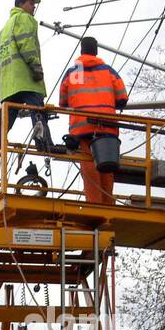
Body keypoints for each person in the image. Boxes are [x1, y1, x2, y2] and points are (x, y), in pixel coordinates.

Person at [58, 36, 128, 205]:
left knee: (89, 167)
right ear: (96, 52)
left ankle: (94, 204)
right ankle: (108, 205)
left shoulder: (74, 73)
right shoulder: (109, 71)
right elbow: (122, 98)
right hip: (107, 126)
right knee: (107, 165)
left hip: (83, 128)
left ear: (81, 51)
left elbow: (63, 102)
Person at [0, 0, 59, 157]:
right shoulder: (25, 19)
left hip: (9, 81)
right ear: (22, 4)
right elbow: (26, 43)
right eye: (31, 3)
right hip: (25, 76)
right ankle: (44, 143)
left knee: (6, 113)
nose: (34, 7)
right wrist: (35, 65)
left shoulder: (5, 27)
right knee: (37, 108)